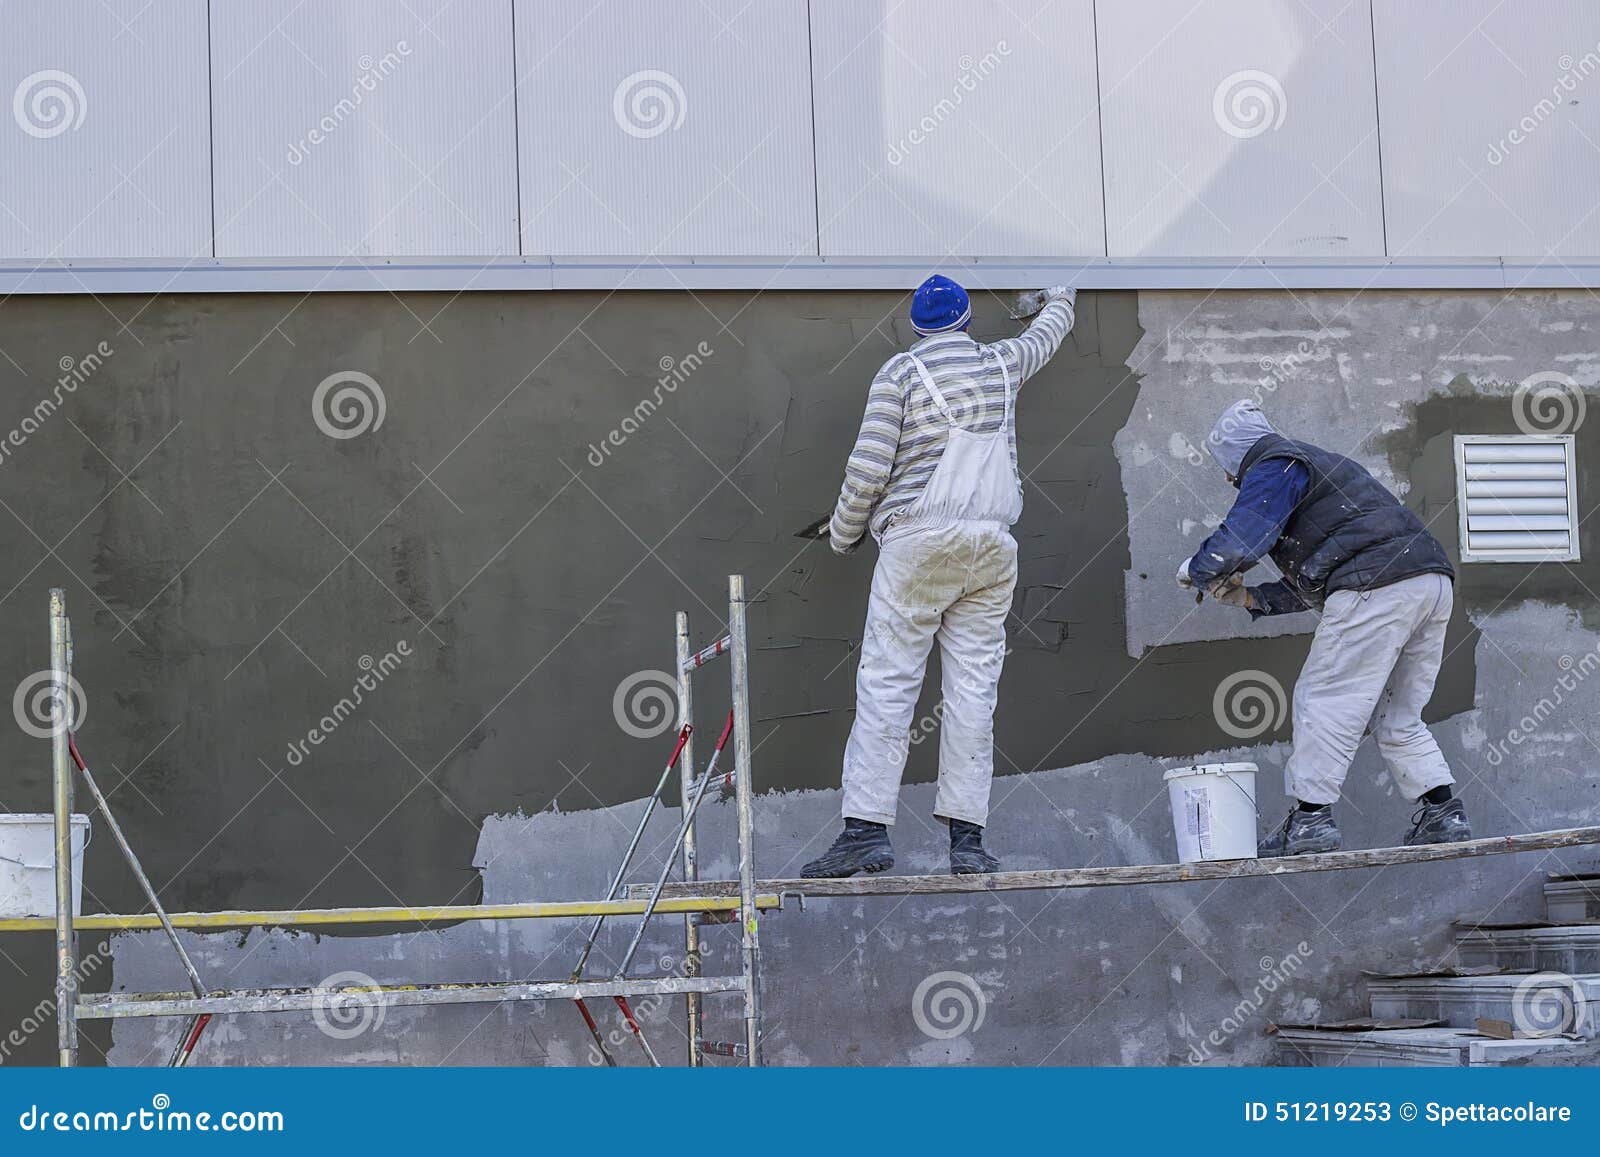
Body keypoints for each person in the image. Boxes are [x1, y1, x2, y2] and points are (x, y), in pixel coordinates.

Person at [801, 276, 1077, 878]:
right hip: (992, 546)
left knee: (889, 685)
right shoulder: (1003, 363)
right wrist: (1060, 298)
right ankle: (968, 844)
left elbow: (869, 469)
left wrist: (845, 537)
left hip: (919, 544)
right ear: (965, 320)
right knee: (974, 692)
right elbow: (1048, 335)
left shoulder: (900, 374)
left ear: (919, 326)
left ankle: (866, 832)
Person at [1178, 399, 1473, 856]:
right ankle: (1443, 812)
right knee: (1398, 714)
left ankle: (1311, 820)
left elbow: (1242, 536)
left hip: (1378, 585)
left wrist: (1201, 569)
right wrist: (1250, 596)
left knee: (1323, 699)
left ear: (1239, 458)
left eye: (1229, 471)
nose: (1229, 480)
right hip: (1428, 583)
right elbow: (1329, 576)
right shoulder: (1320, 470)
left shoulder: (1275, 464)